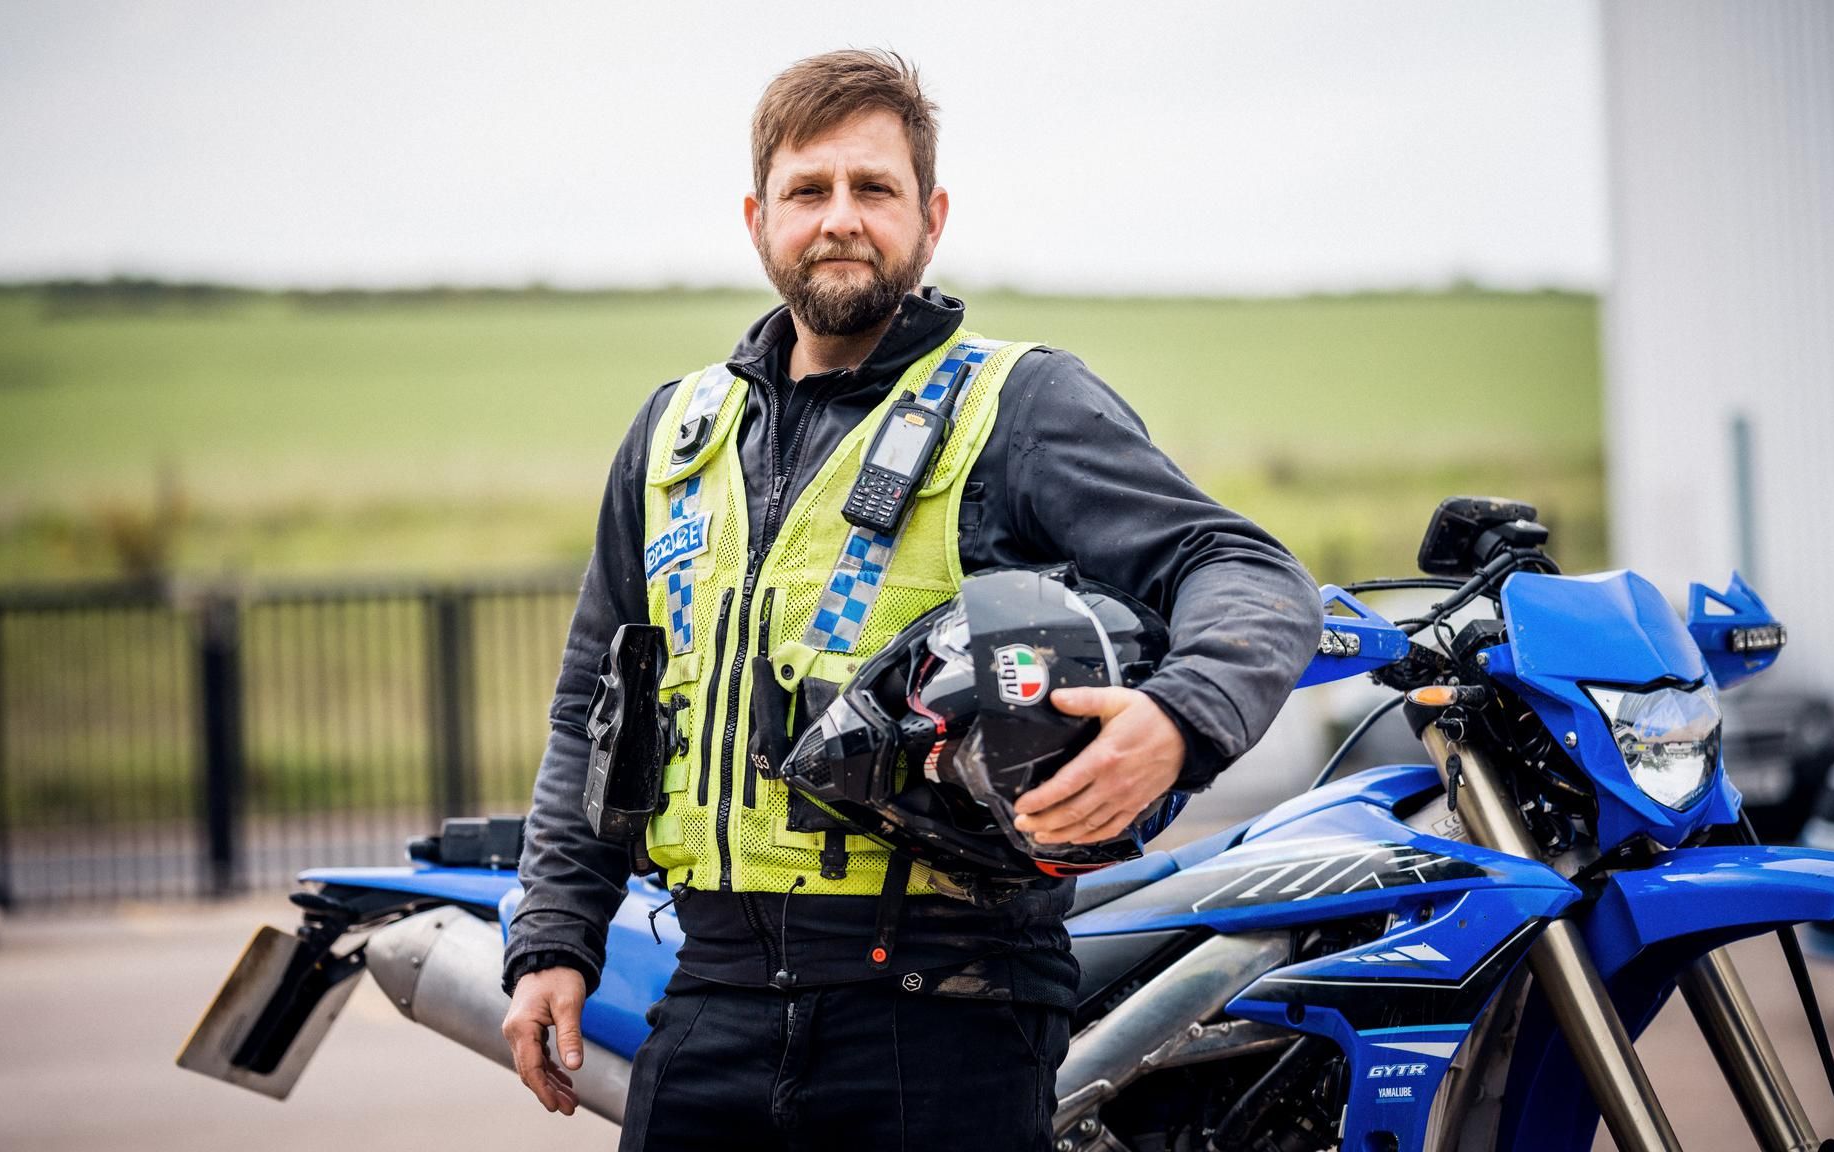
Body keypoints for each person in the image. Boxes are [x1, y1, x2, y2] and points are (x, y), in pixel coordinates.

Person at [500, 48, 1322, 1151]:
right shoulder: (673, 439)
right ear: (757, 219)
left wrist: (1177, 721)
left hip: (946, 1019)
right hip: (711, 1003)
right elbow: (589, 712)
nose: (839, 218)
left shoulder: (1021, 405)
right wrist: (553, 937)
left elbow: (1244, 570)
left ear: (929, 218)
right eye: (808, 190)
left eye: (872, 189)